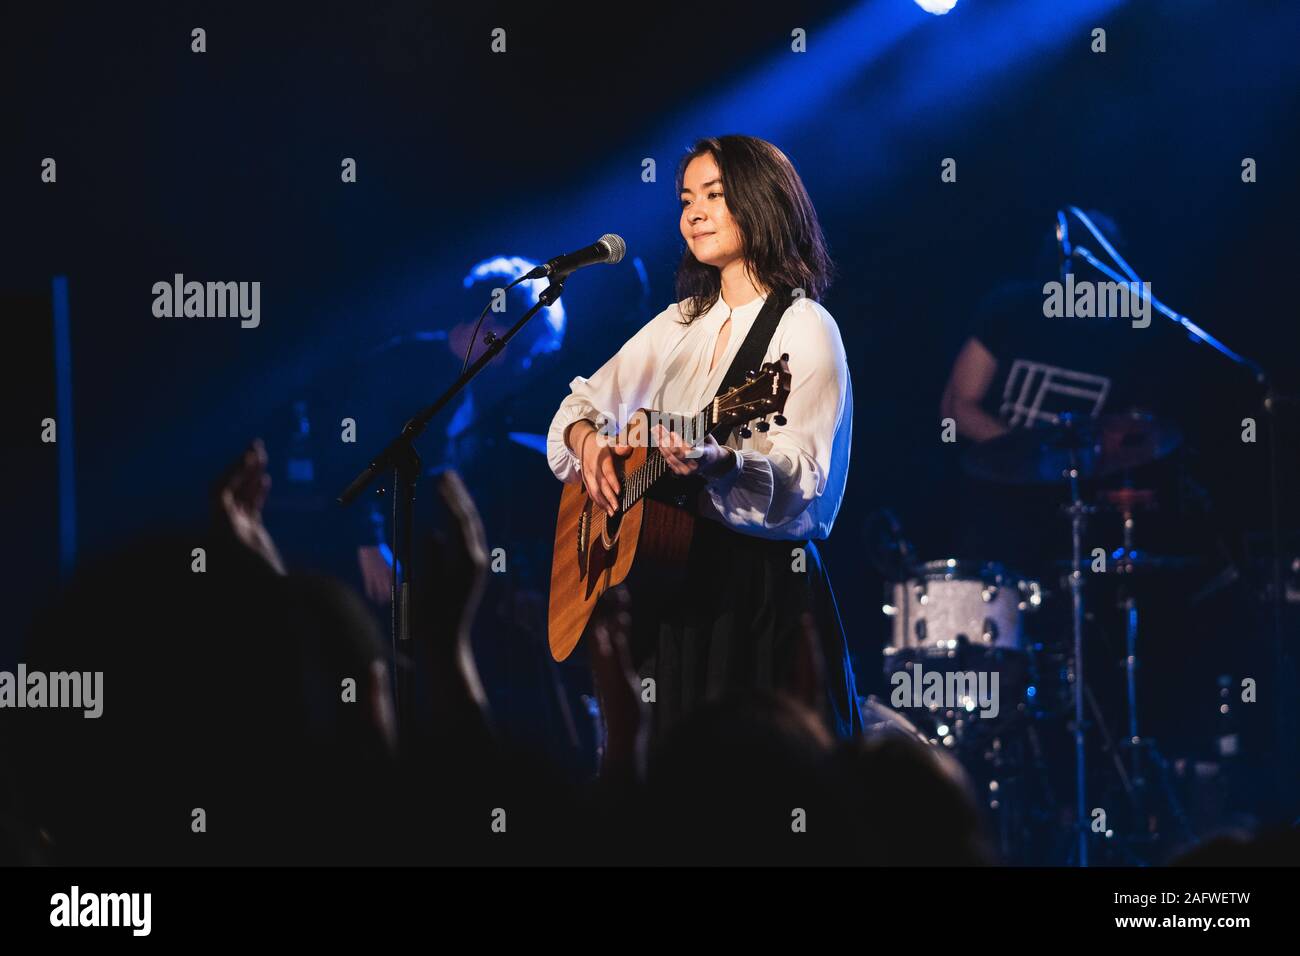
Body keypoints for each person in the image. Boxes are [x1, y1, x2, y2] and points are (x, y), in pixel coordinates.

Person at [546, 134, 862, 740]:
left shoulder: (805, 326)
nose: (693, 213)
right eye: (686, 198)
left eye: (714, 195)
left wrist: (721, 461)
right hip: (668, 596)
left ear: (761, 199)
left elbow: (806, 480)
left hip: (755, 598)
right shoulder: (678, 323)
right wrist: (590, 445)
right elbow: (577, 406)